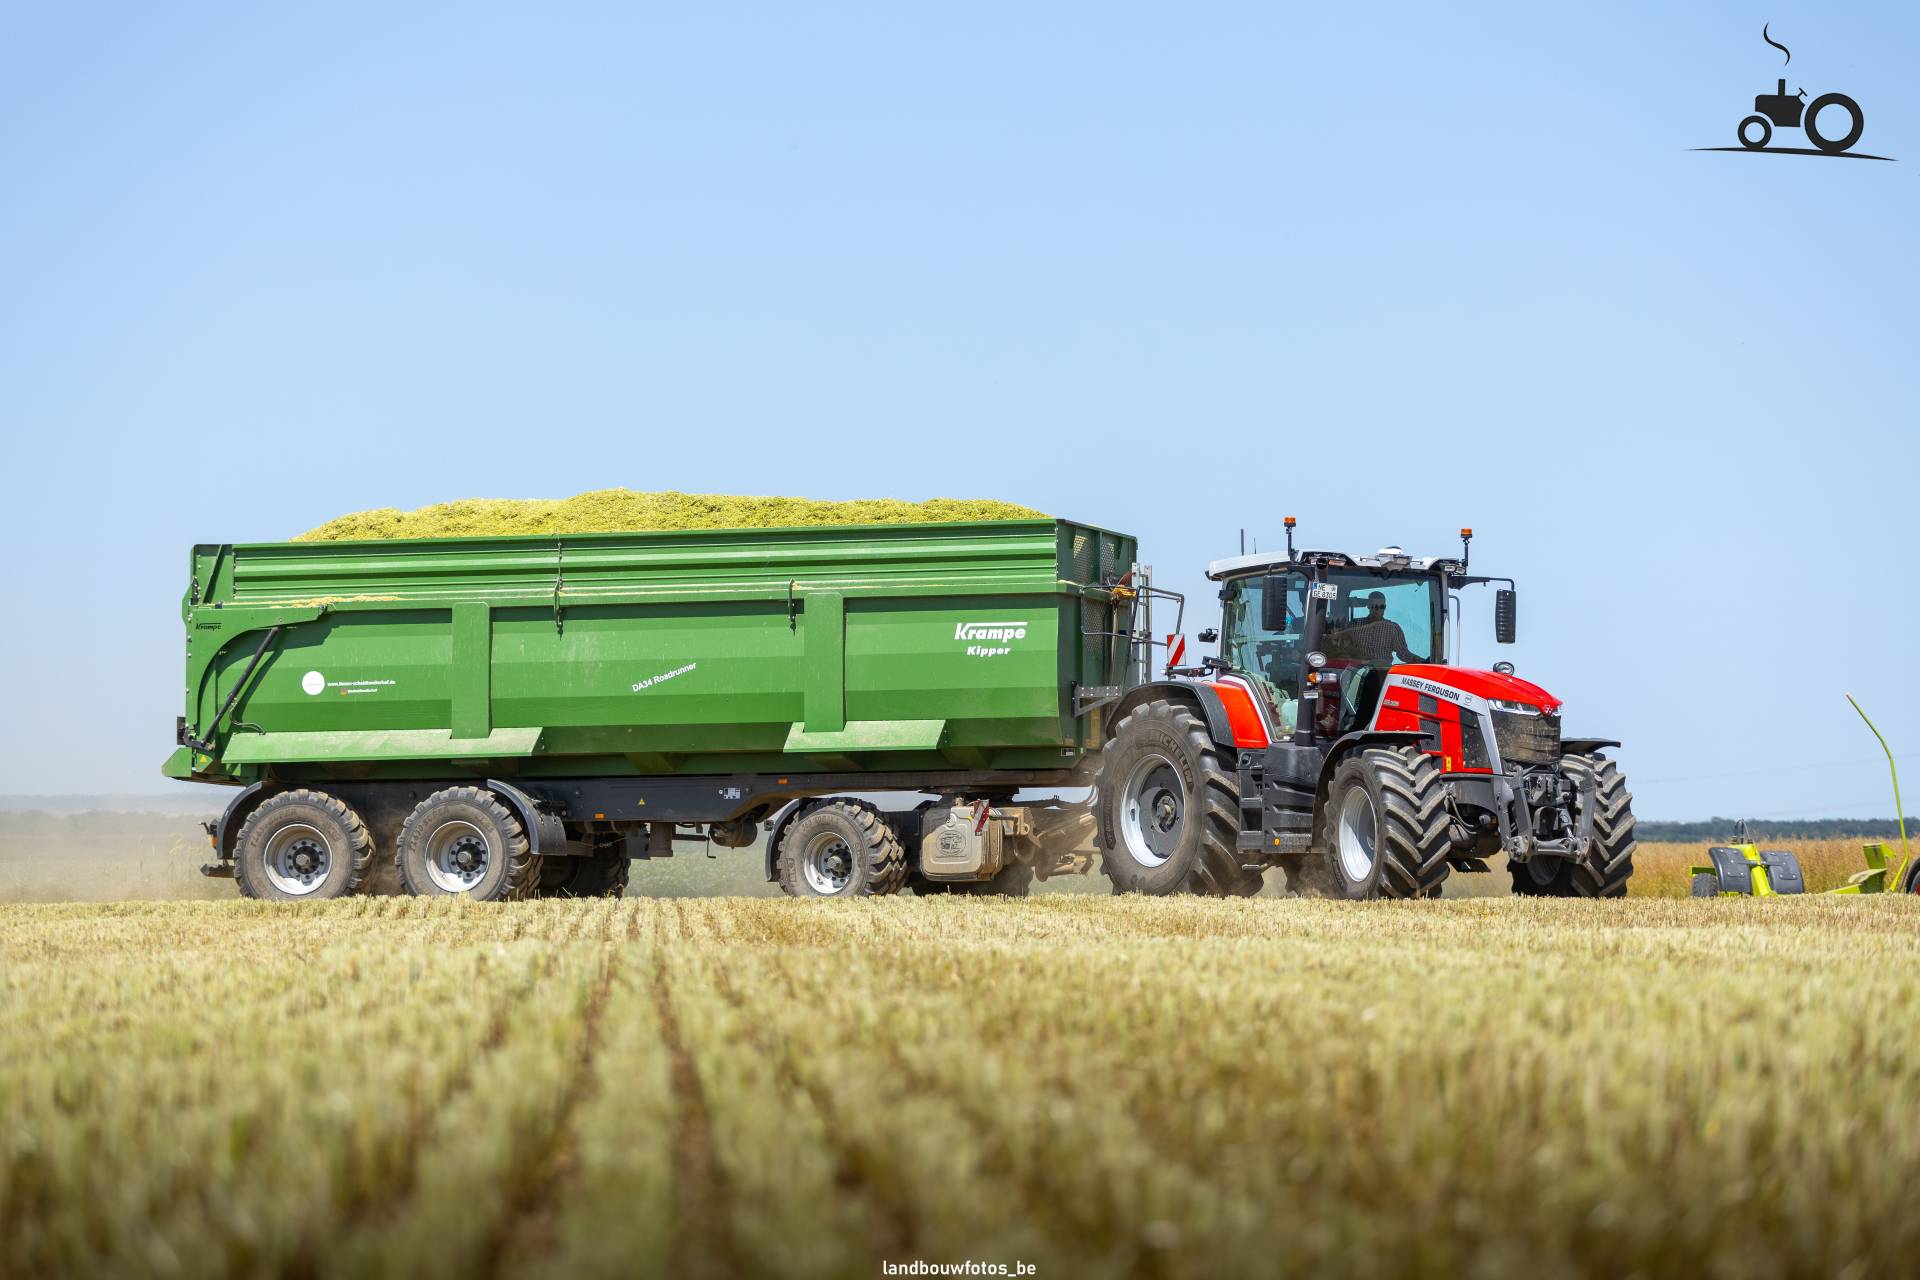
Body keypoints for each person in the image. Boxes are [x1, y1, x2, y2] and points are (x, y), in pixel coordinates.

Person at [1326, 591, 1423, 666]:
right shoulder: (1355, 625)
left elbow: (1403, 653)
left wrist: (1420, 660)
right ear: (1368, 606)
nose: (1378, 610)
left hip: (1382, 672)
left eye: (1382, 606)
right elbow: (1343, 647)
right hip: (1357, 671)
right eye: (1375, 606)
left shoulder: (1393, 628)